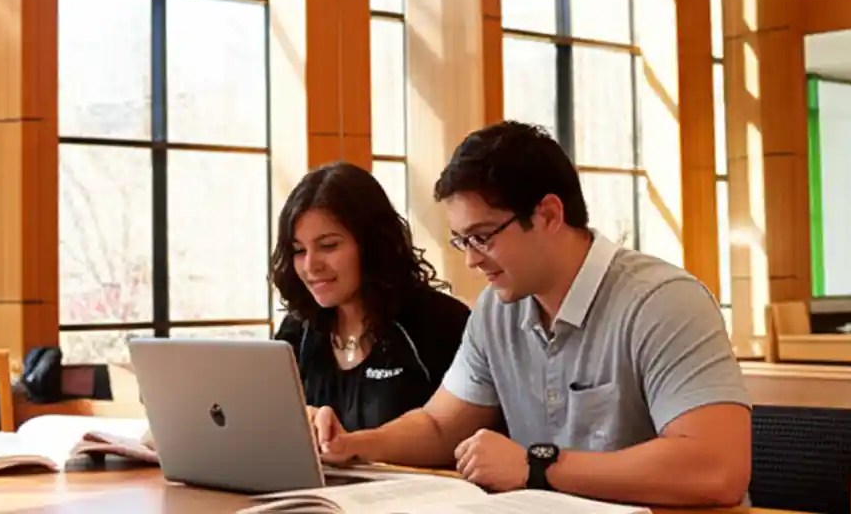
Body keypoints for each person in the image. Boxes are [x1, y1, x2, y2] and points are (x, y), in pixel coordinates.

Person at [311, 122, 752, 508]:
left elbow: (716, 469)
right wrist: (353, 445)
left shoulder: (663, 302)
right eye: (461, 241)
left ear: (548, 214)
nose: (471, 260)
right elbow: (439, 425)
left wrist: (536, 467)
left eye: (482, 237)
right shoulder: (496, 311)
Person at [271, 161, 470, 433]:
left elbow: (458, 433)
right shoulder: (298, 331)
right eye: (298, 250)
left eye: (328, 246)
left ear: (372, 243)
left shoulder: (440, 325)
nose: (310, 266)